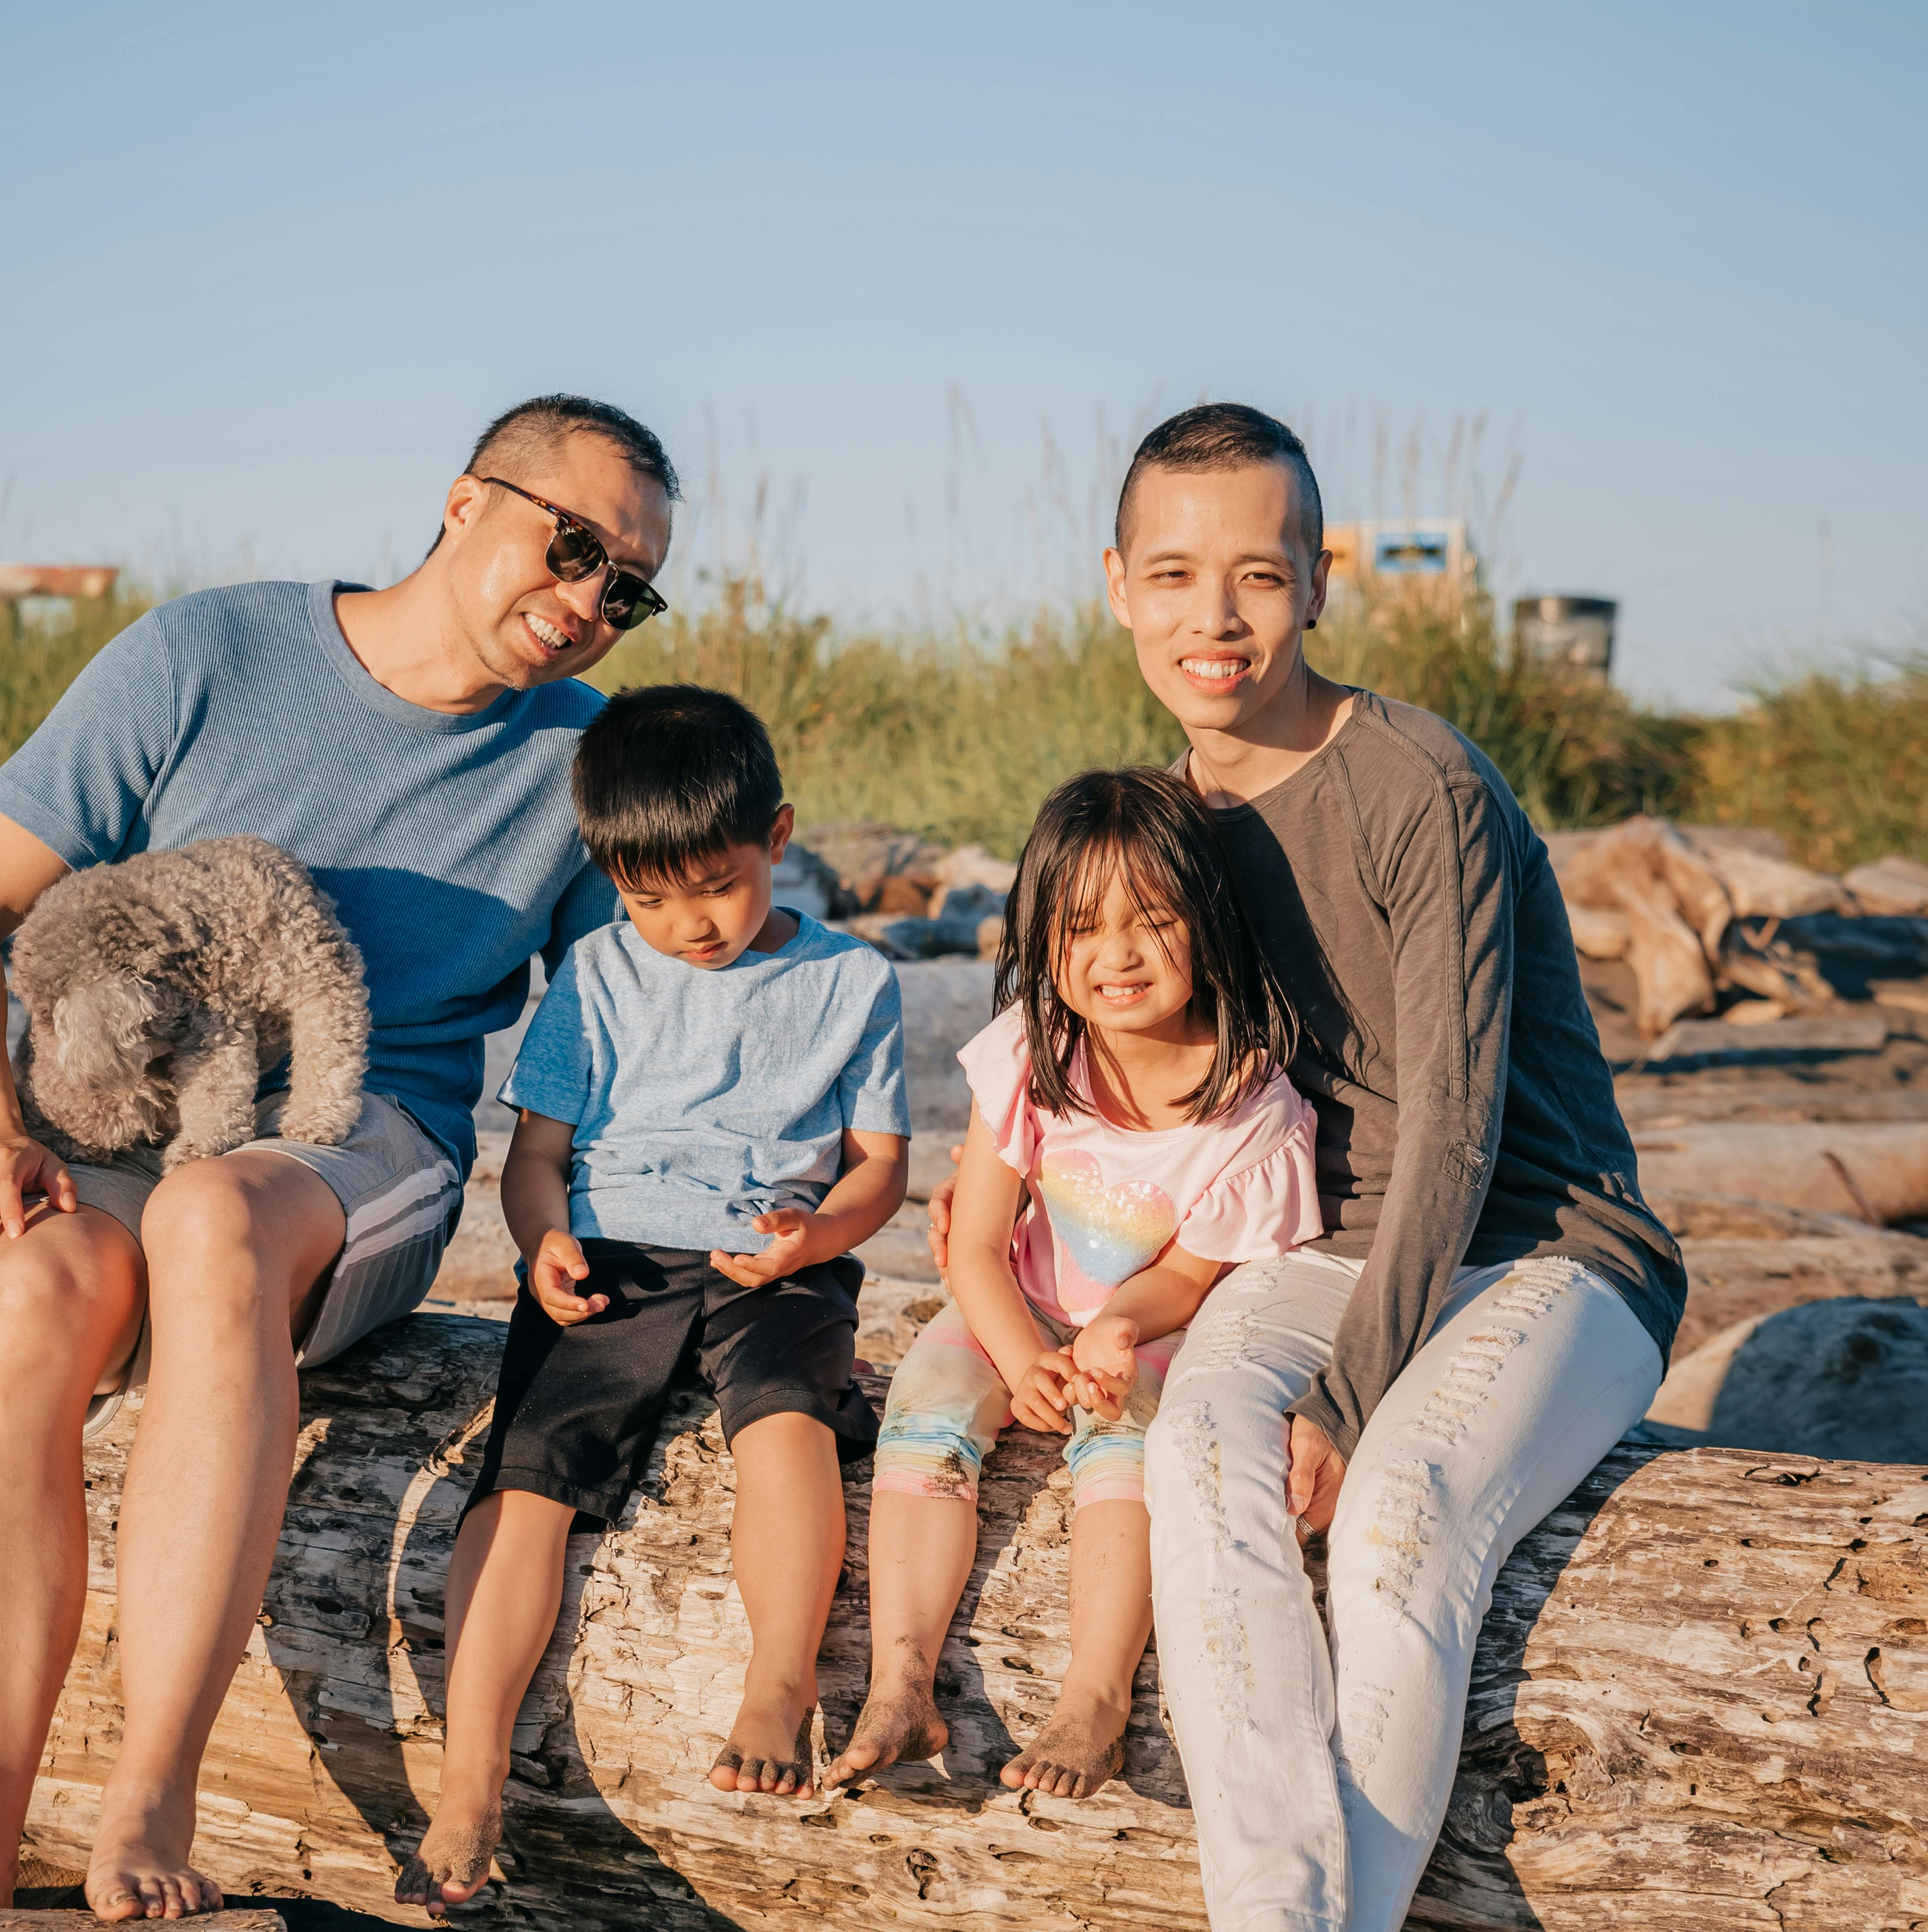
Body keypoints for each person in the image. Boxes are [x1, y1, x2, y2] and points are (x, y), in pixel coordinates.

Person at [0, 395, 679, 1921]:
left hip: (363, 1148)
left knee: (216, 1218)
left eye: (626, 589)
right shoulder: (205, 652)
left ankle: (149, 1802)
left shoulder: (587, 764)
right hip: (129, 1125)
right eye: (571, 548)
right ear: (463, 501)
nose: (584, 605)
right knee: (33, 1291)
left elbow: (659, 1014)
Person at [971, 402, 1685, 1931]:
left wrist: (1354, 1395)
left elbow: (1454, 1122)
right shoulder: (1168, 823)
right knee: (1200, 1457)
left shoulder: (1418, 788)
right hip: (1305, 1238)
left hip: (1546, 1248)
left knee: (1394, 1522)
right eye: (1169, 576)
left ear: (1314, 581)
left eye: (1255, 574)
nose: (1209, 619)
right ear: (1115, 583)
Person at [400, 685, 909, 1920]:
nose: (687, 926)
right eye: (648, 900)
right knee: (528, 1480)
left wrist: (815, 1240)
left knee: (786, 1427)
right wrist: (542, 1244)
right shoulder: (592, 973)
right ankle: (469, 1775)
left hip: (771, 1254)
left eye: (716, 889)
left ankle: (778, 1685)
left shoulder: (853, 982)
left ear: (776, 838)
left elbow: (881, 1168)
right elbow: (534, 1155)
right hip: (614, 1248)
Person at [825, 767, 1319, 1804]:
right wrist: (1019, 1357)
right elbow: (975, 1246)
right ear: (1041, 936)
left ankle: (1092, 1699)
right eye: (1081, 928)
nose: (1116, 957)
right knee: (921, 1411)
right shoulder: (1032, 1050)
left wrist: (1115, 1333)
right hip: (1024, 1303)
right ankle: (900, 1681)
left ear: (1209, 921)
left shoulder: (1248, 1109)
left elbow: (1190, 1273)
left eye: (1151, 921)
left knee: (1130, 1441)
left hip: (1147, 1327)